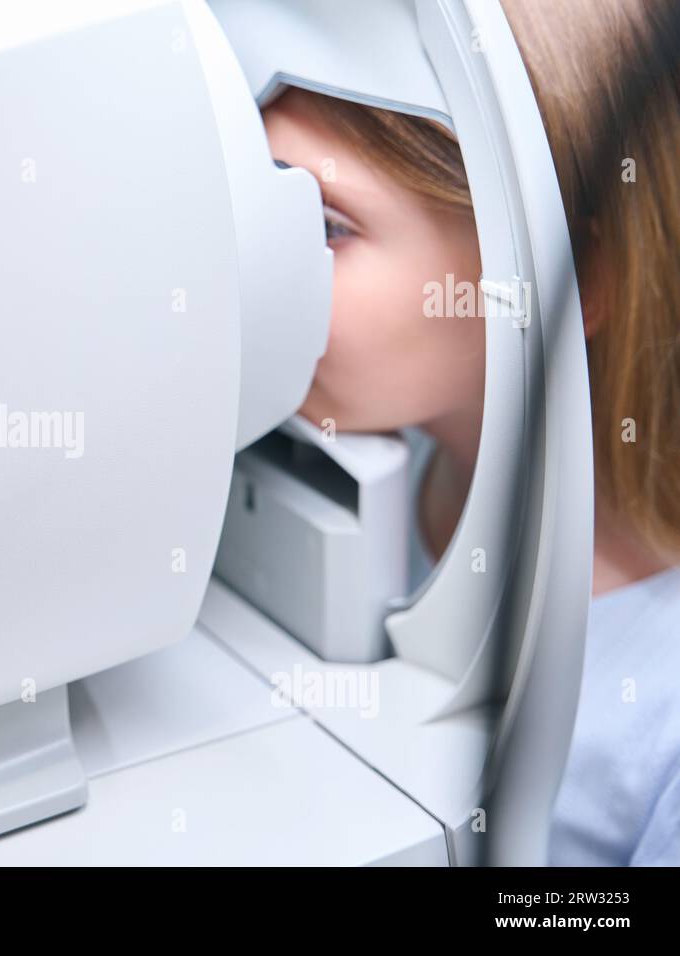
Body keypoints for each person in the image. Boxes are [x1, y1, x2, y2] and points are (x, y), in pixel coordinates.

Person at [260, 0, 680, 865]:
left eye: (326, 227)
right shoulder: (343, 458)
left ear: (567, 274)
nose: (259, 272)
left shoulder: (660, 720)